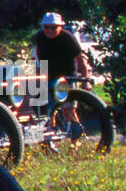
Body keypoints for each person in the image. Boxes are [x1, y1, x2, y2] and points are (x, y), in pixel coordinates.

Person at [31, 12, 91, 140]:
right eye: (46, 27)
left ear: (60, 27)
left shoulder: (67, 38)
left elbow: (80, 60)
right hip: (49, 76)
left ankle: (76, 140)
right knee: (47, 112)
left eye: (53, 27)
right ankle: (48, 141)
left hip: (66, 76)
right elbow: (38, 56)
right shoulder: (40, 37)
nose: (49, 30)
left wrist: (85, 80)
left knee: (68, 109)